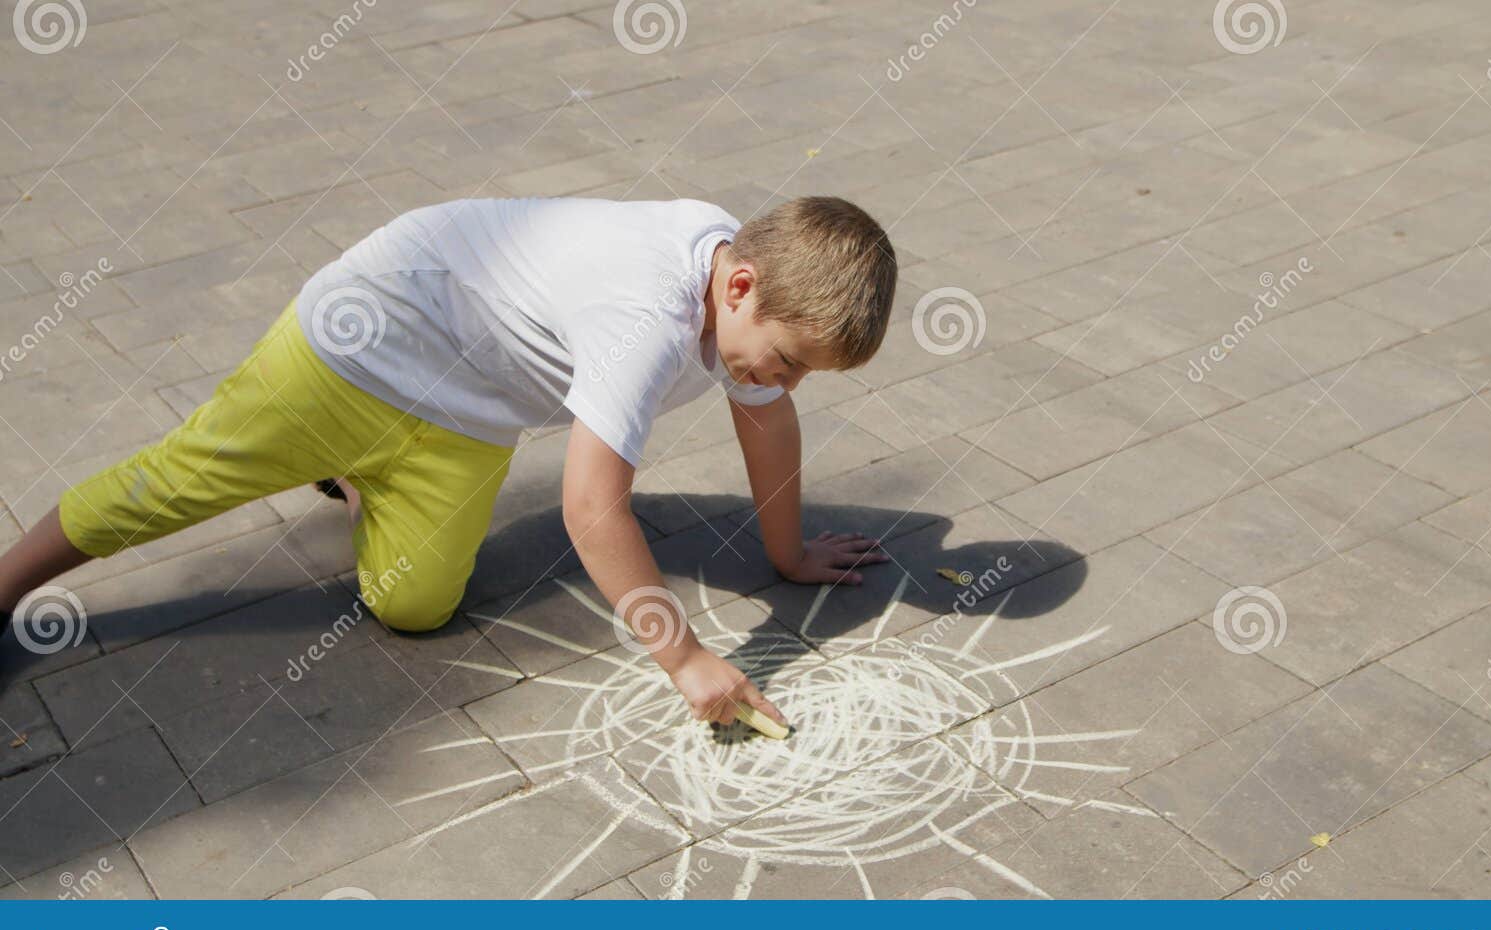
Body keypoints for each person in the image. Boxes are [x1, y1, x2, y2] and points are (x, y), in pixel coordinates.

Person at [0, 195, 900, 729]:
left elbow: (767, 416)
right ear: (738, 287)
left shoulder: (741, 277)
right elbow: (594, 511)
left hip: (466, 411)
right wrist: (689, 659)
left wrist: (785, 555)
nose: (785, 382)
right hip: (349, 356)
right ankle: (8, 584)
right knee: (170, 487)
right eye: (789, 360)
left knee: (414, 605)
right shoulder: (648, 321)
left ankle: (360, 484)